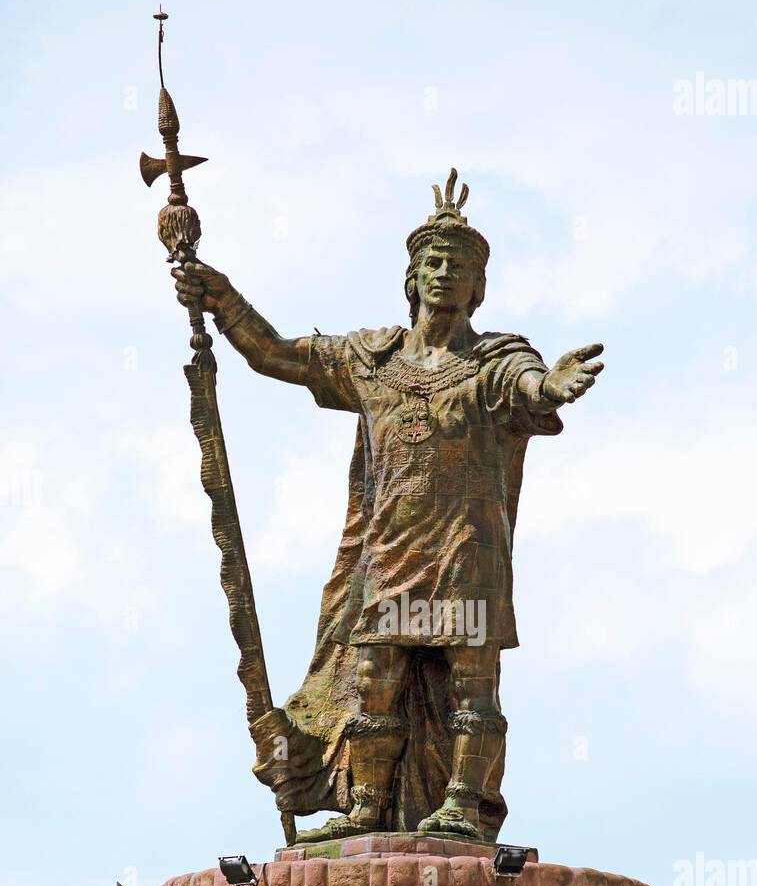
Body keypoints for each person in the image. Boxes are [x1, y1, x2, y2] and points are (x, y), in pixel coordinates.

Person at [174, 170, 603, 843]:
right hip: (392, 555)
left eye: (457, 266)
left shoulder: (493, 362)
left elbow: (528, 388)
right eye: (432, 262)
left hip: (465, 552)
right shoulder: (372, 361)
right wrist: (220, 297)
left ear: (477, 286)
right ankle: (368, 805)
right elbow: (276, 355)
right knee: (372, 680)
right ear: (412, 277)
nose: (442, 273)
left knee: (472, 682)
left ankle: (462, 803)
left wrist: (551, 384)